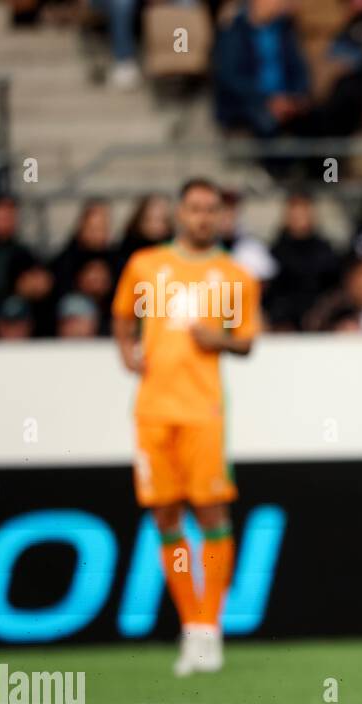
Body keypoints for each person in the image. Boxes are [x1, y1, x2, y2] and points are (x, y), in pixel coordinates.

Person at [111, 179, 260, 676]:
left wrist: (217, 337)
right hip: (153, 409)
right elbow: (121, 314)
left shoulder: (234, 276)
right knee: (166, 516)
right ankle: (192, 624)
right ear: (179, 212)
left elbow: (245, 344)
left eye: (210, 210)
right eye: (193, 208)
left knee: (212, 510)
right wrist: (127, 350)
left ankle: (208, 628)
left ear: (220, 217)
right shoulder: (146, 265)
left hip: (203, 411)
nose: (201, 217)